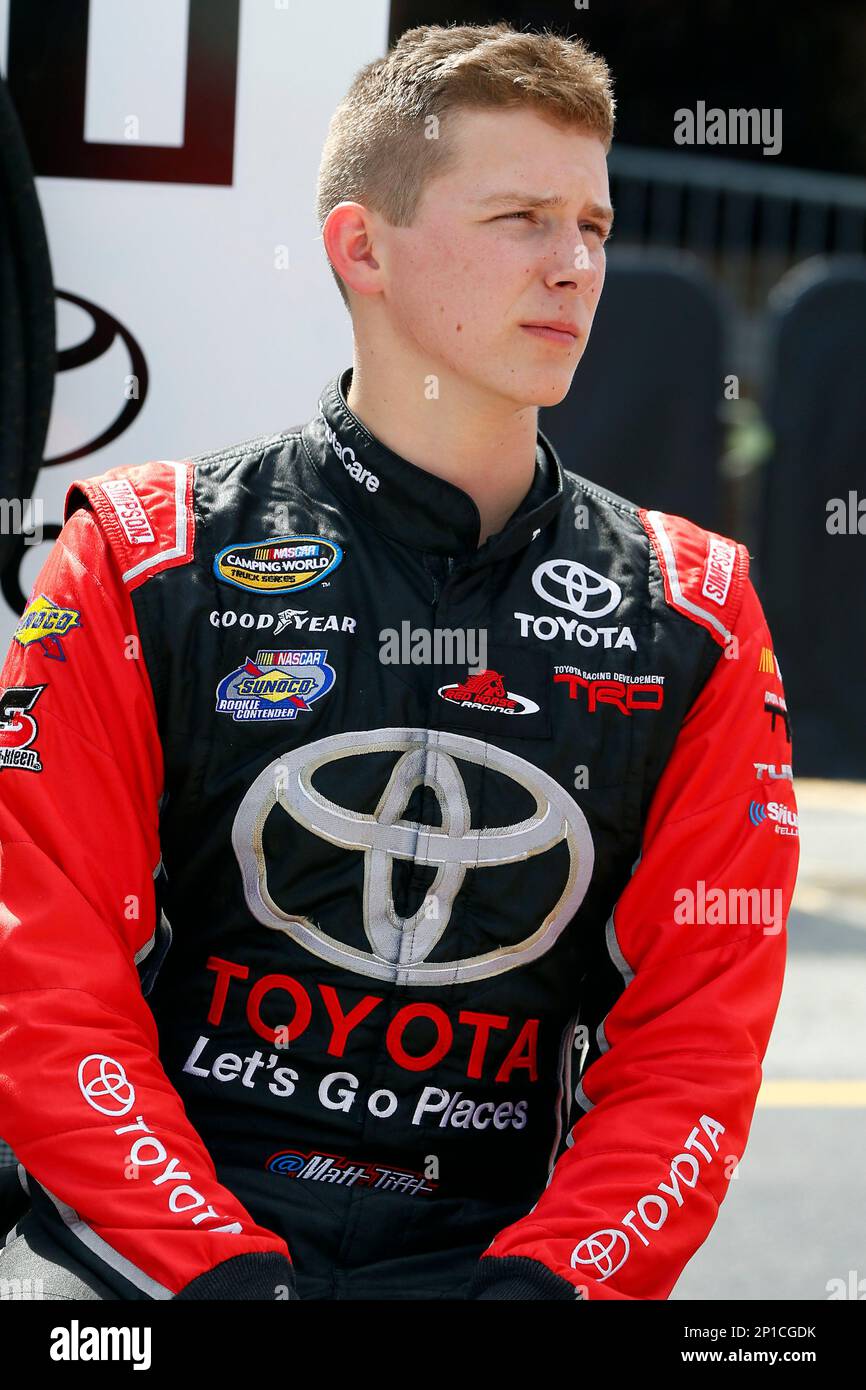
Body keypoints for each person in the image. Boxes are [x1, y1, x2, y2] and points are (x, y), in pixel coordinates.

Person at [0, 22, 798, 1301]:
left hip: (497, 1274)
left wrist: (544, 1288)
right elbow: (38, 979)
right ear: (360, 247)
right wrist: (221, 1281)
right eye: (519, 218)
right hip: (151, 1277)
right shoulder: (143, 560)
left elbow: (694, 1043)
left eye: (590, 225)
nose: (572, 267)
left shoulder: (694, 612)